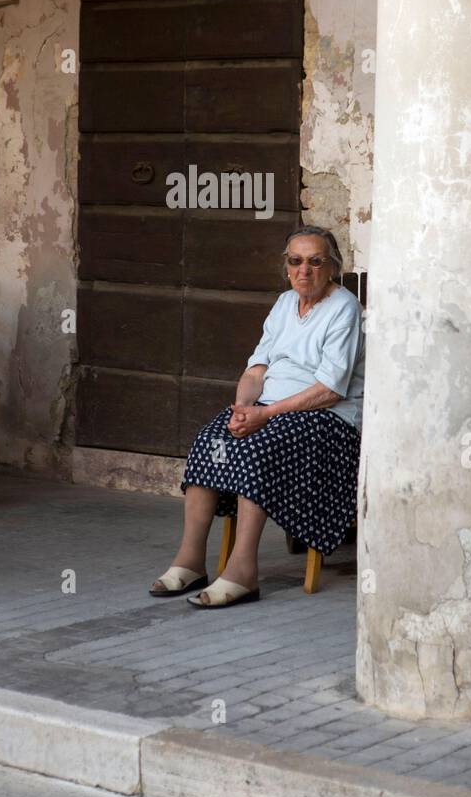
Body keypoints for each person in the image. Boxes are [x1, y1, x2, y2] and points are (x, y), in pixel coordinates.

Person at [148, 225, 365, 608]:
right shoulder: (284, 304)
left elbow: (330, 388)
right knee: (212, 441)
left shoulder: (344, 306)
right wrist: (243, 409)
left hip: (326, 418)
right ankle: (190, 560)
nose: (305, 270)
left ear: (332, 267)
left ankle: (243, 570)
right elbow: (256, 370)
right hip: (269, 411)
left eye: (316, 262)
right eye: (296, 261)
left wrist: (265, 416)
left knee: (259, 449)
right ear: (286, 267)